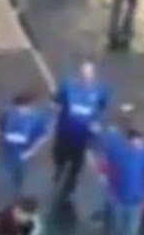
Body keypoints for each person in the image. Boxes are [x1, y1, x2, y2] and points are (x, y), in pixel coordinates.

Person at [50, 60, 112, 205]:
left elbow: (102, 106)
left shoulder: (101, 90)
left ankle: (70, 187)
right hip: (65, 130)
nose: (86, 77)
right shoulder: (68, 86)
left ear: (93, 75)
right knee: (59, 155)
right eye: (84, 73)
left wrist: (96, 122)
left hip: (83, 134)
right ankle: (59, 170)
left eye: (89, 74)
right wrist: (54, 113)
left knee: (77, 162)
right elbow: (55, 101)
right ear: (80, 74)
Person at [98, 126, 144, 235]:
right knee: (119, 229)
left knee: (131, 230)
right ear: (129, 142)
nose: (140, 146)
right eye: (137, 143)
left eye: (141, 143)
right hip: (120, 200)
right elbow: (105, 168)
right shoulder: (118, 154)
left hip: (135, 201)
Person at [0, 92, 50, 203]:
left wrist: (31, 151)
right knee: (8, 172)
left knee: (19, 174)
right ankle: (15, 187)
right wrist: (1, 140)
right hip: (7, 152)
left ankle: (17, 190)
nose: (21, 110)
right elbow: (0, 127)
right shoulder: (7, 115)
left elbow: (43, 137)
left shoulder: (36, 119)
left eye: (23, 108)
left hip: (22, 155)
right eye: (18, 108)